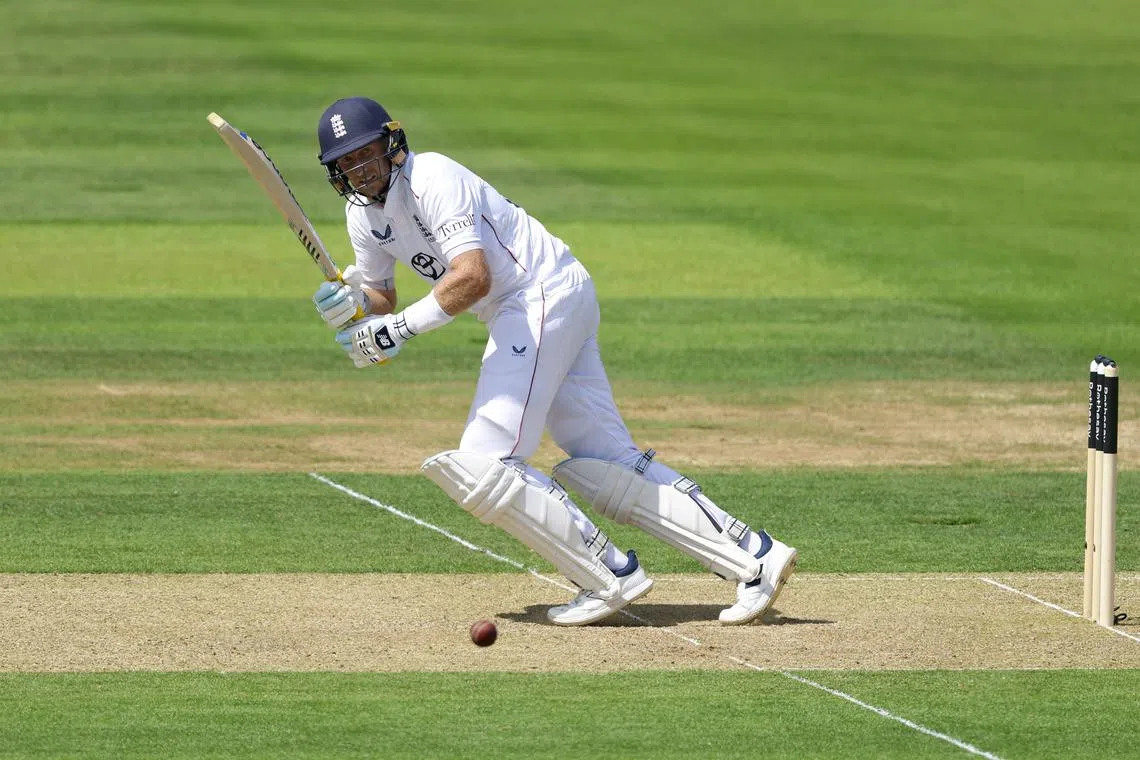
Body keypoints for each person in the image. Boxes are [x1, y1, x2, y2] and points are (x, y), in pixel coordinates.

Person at [311, 96, 797, 626]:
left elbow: (474, 277)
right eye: (348, 161)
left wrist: (397, 329)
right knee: (602, 456)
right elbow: (380, 294)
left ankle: (608, 576)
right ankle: (757, 557)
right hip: (543, 302)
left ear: (390, 142)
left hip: (536, 297)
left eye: (368, 153)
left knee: (485, 461)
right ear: (337, 171)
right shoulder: (361, 213)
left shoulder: (433, 177)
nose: (362, 168)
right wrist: (355, 306)